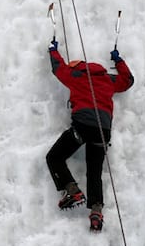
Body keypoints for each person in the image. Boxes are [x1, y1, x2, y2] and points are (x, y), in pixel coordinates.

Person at [45, 41, 134, 231]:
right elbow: (127, 81)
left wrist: (53, 50)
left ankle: (72, 190)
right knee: (94, 172)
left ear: (78, 67)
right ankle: (96, 212)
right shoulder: (107, 79)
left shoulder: (76, 75)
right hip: (102, 131)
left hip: (83, 126)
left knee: (54, 157)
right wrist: (118, 60)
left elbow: (58, 68)